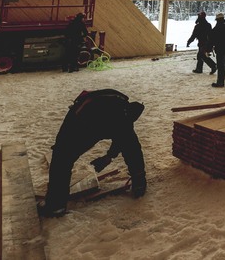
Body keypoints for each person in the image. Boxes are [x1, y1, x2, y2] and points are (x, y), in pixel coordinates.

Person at [38, 88, 146, 218]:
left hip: (94, 117)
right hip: (84, 120)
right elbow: (122, 135)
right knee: (62, 156)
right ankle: (56, 204)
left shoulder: (123, 113)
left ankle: (139, 183)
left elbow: (123, 137)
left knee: (131, 145)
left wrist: (109, 156)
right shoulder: (113, 112)